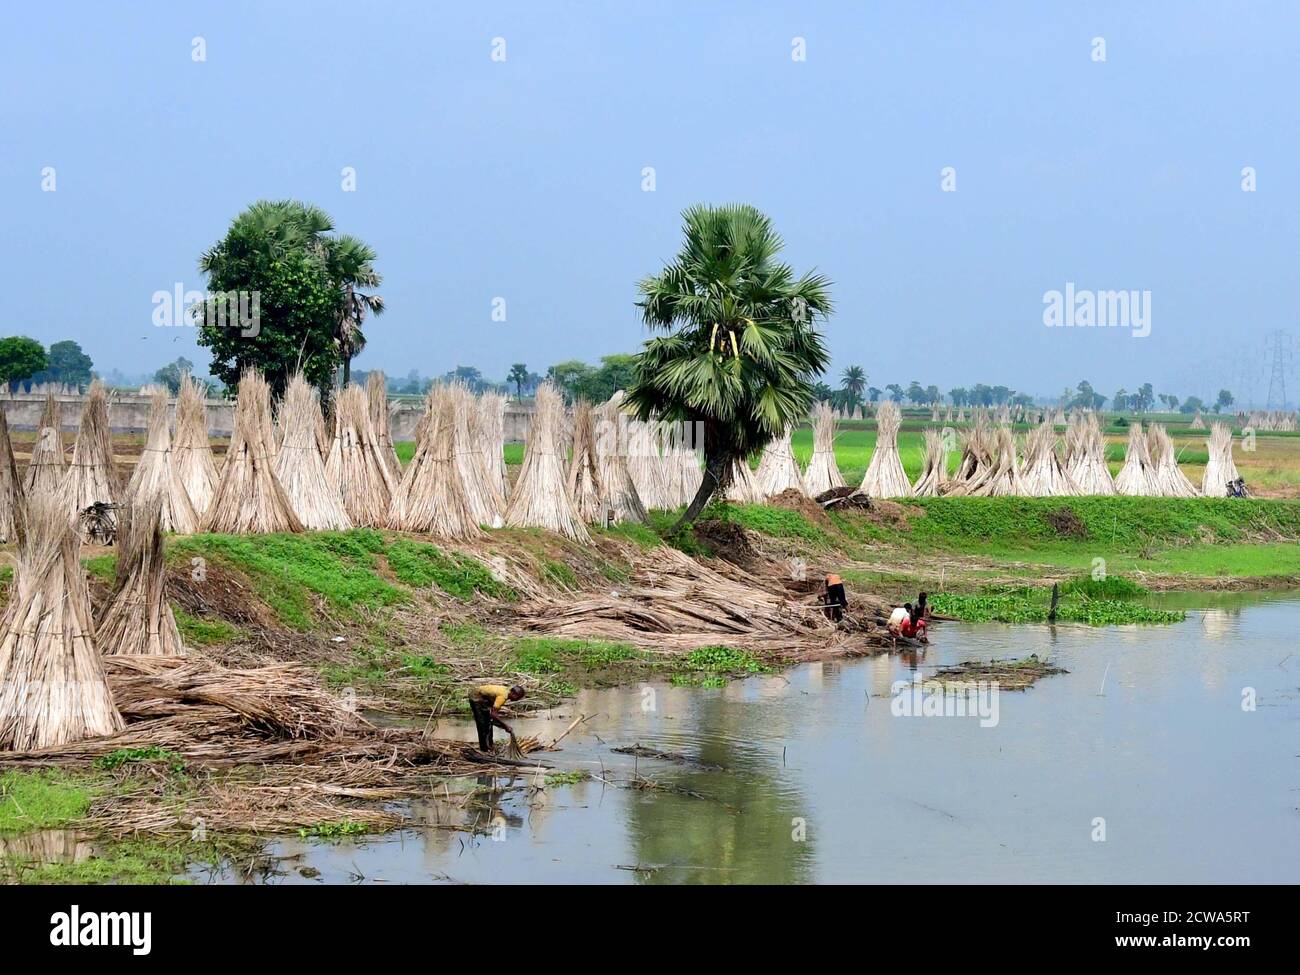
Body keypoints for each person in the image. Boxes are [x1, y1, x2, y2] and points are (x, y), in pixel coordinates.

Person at [468, 683, 525, 752]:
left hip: (485, 697)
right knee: (482, 724)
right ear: (513, 694)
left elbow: (493, 715)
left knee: (488, 722)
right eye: (518, 698)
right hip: (476, 696)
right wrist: (505, 726)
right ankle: (484, 749)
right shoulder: (503, 696)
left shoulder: (506, 692)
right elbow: (493, 715)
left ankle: (489, 745)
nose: (517, 700)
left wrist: (502, 725)